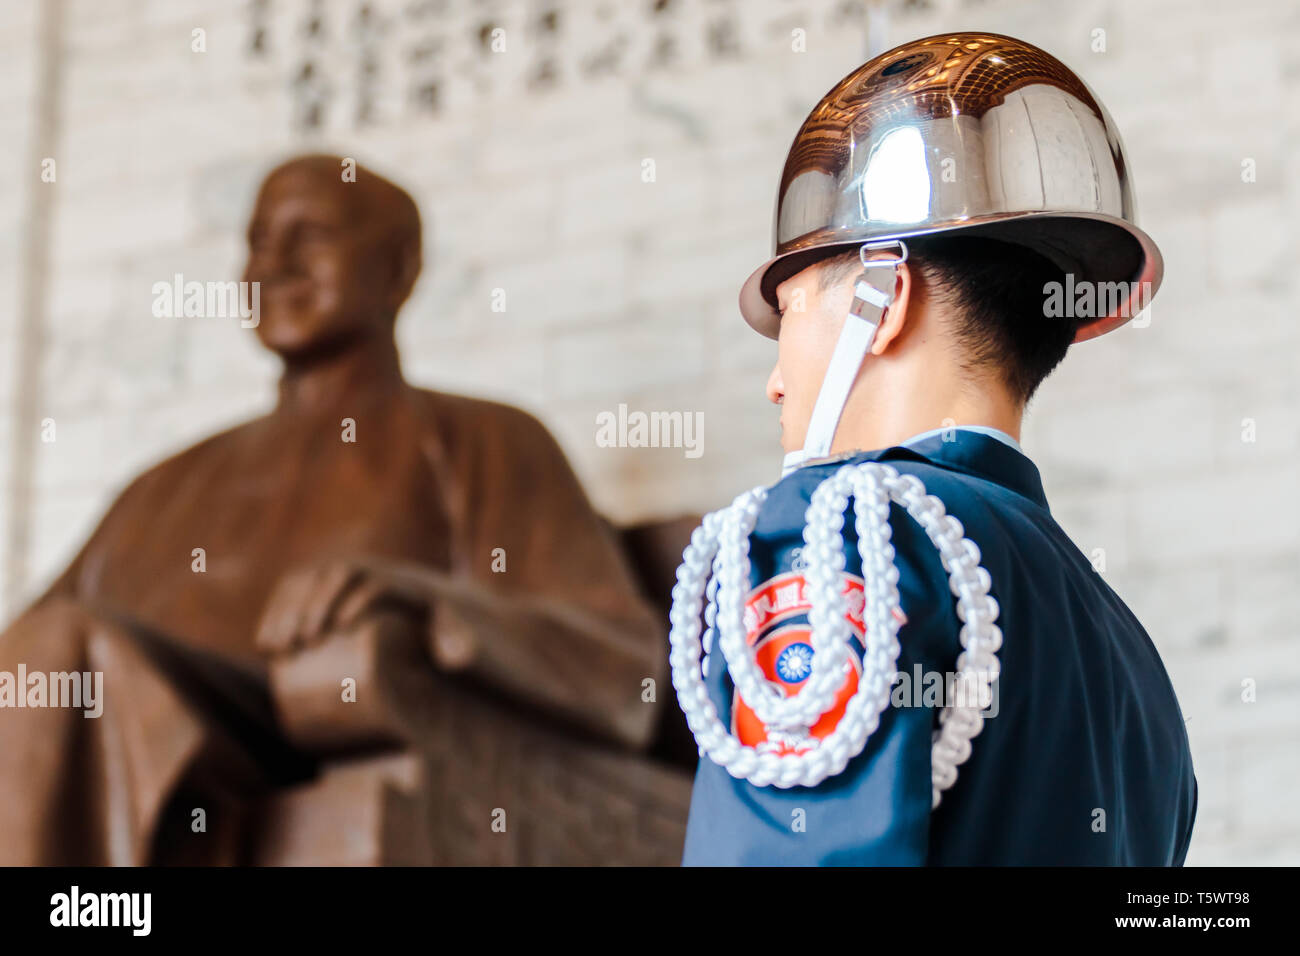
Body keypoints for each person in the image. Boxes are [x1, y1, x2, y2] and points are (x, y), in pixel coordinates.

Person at [0, 155, 663, 864]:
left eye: (309, 235)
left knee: (65, 651)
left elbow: (621, 665)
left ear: (399, 269)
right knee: (54, 658)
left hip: (297, 742)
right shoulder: (157, 488)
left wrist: (426, 601)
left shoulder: (480, 439)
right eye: (256, 242)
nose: (273, 265)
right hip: (143, 775)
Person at [671, 32, 1197, 865]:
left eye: (795, 312)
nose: (774, 382)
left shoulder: (848, 531)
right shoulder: (1129, 659)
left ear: (884, 301)